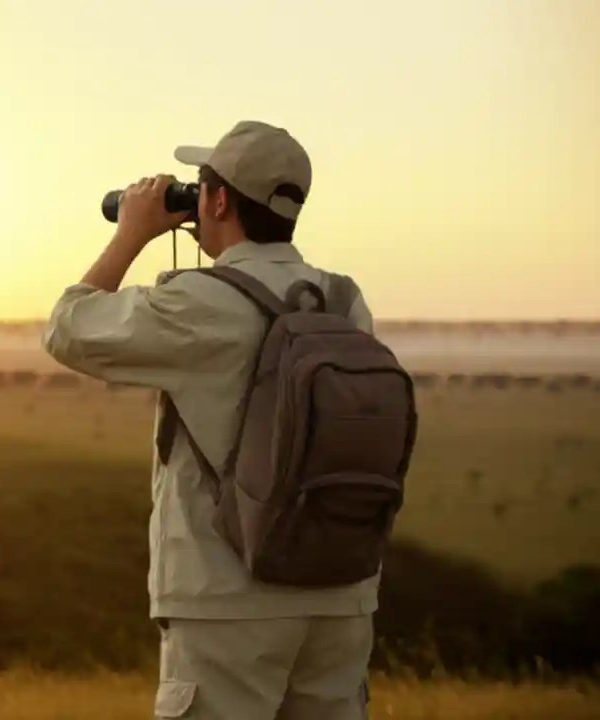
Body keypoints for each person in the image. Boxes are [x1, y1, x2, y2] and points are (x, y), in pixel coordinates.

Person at [42, 120, 377, 720]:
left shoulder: (202, 301)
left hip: (227, 600)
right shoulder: (344, 300)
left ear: (218, 200)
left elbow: (68, 330)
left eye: (201, 188)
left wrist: (133, 233)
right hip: (341, 594)